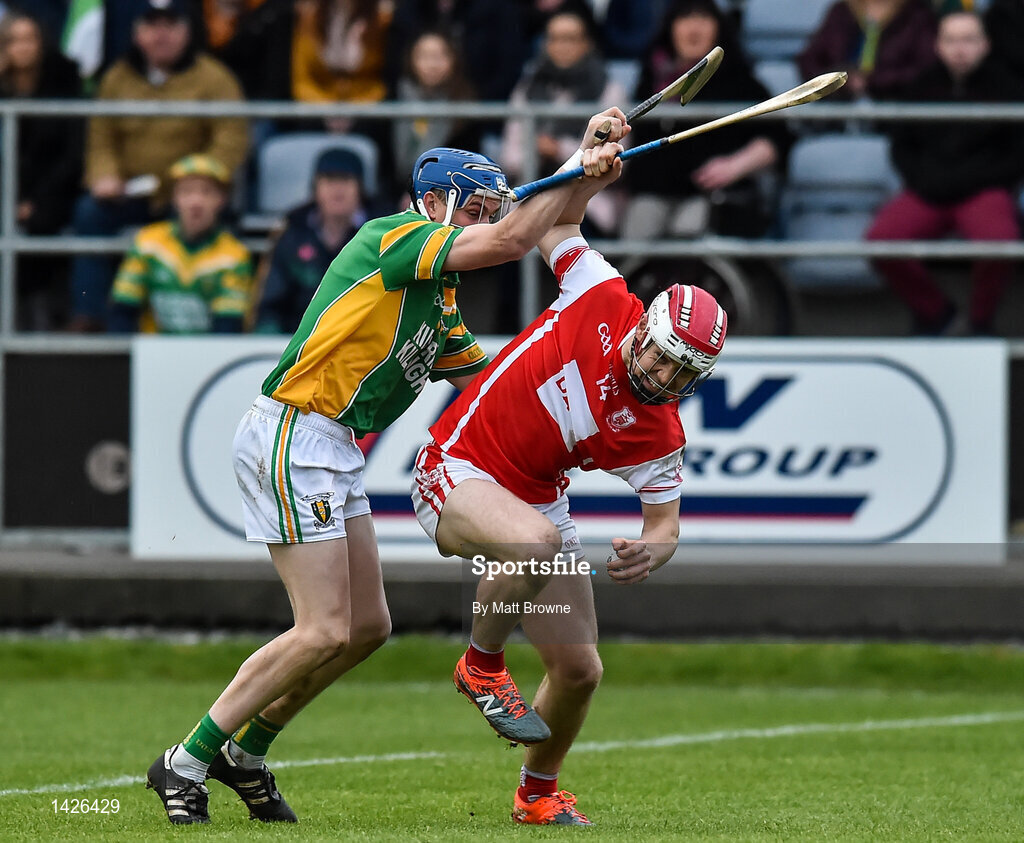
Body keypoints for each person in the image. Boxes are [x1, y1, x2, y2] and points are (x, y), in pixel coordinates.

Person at [145, 108, 631, 826]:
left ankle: (246, 754)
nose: (478, 222)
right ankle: (185, 759)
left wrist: (582, 185)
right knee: (321, 628)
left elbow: (498, 382)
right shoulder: (392, 236)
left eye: (485, 211)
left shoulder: (439, 304)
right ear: (433, 203)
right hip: (295, 430)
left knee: (367, 626)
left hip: (334, 451)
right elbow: (513, 238)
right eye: (470, 208)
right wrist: (577, 166)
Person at [409, 151, 727, 826]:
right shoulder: (601, 293)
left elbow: (664, 522)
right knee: (536, 541)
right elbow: (557, 226)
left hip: (532, 504)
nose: (662, 377)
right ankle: (481, 662)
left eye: (681, 374)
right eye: (659, 357)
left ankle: (537, 795)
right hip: (455, 468)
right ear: (642, 328)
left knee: (580, 668)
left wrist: (655, 548)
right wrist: (588, 161)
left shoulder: (657, 431)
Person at [67, 0, 249, 332]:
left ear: (187, 31)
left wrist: (197, 180)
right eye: (151, 26)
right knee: (88, 213)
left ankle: (216, 328)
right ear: (136, 32)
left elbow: (231, 138)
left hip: (191, 195)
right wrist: (105, 175)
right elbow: (101, 138)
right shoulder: (117, 79)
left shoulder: (214, 78)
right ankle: (91, 319)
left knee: (212, 222)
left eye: (170, 25)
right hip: (130, 193)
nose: (160, 35)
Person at [866, 9, 1024, 335]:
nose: (960, 48)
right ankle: (937, 313)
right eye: (951, 40)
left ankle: (981, 322)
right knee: (880, 242)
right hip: (929, 189)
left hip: (984, 189)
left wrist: (972, 179)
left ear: (986, 44)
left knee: (1000, 244)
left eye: (969, 40)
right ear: (938, 45)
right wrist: (926, 180)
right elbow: (902, 147)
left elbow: (1016, 154)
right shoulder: (920, 87)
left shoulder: (1009, 88)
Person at [621, 0, 792, 243]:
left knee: (688, 236)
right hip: (650, 194)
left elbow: (777, 137)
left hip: (714, 199)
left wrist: (735, 165)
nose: (694, 29)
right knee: (636, 235)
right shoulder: (651, 79)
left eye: (702, 19)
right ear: (670, 29)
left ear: (718, 28)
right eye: (685, 19)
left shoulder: (740, 82)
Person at [501, 8, 626, 234]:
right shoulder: (527, 88)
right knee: (510, 236)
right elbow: (510, 155)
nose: (562, 46)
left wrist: (559, 150)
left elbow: (616, 155)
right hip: (531, 190)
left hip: (587, 198)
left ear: (587, 43)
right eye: (555, 39)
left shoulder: (608, 90)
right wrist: (536, 150)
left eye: (570, 39)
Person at [0, 10, 83, 330]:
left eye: (28, 39)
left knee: (44, 222)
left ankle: (43, 317)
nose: (22, 47)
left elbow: (71, 155)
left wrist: (34, 201)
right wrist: (12, 199)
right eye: (13, 40)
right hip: (9, 192)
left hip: (53, 191)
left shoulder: (64, 83)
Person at [108, 154, 252, 334]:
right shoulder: (148, 242)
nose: (196, 202)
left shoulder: (234, 255)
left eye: (207, 192)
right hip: (152, 353)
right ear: (175, 198)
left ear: (221, 200)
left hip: (209, 357)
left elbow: (228, 326)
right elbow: (123, 309)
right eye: (187, 191)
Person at [253, 148, 367, 334]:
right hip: (296, 344)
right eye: (329, 180)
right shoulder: (291, 234)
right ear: (315, 188)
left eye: (346, 180)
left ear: (360, 188)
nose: (337, 189)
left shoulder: (382, 235)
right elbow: (269, 307)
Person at [391, 29, 478, 192]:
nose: (432, 64)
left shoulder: (466, 106)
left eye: (439, 57)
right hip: (398, 191)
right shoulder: (394, 98)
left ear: (454, 60)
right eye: (424, 56)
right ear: (411, 59)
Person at [798, 0, 937, 100]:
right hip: (839, 101)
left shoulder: (917, 14)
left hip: (895, 104)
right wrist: (837, 81)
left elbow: (925, 68)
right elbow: (809, 60)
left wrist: (872, 81)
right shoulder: (841, 11)